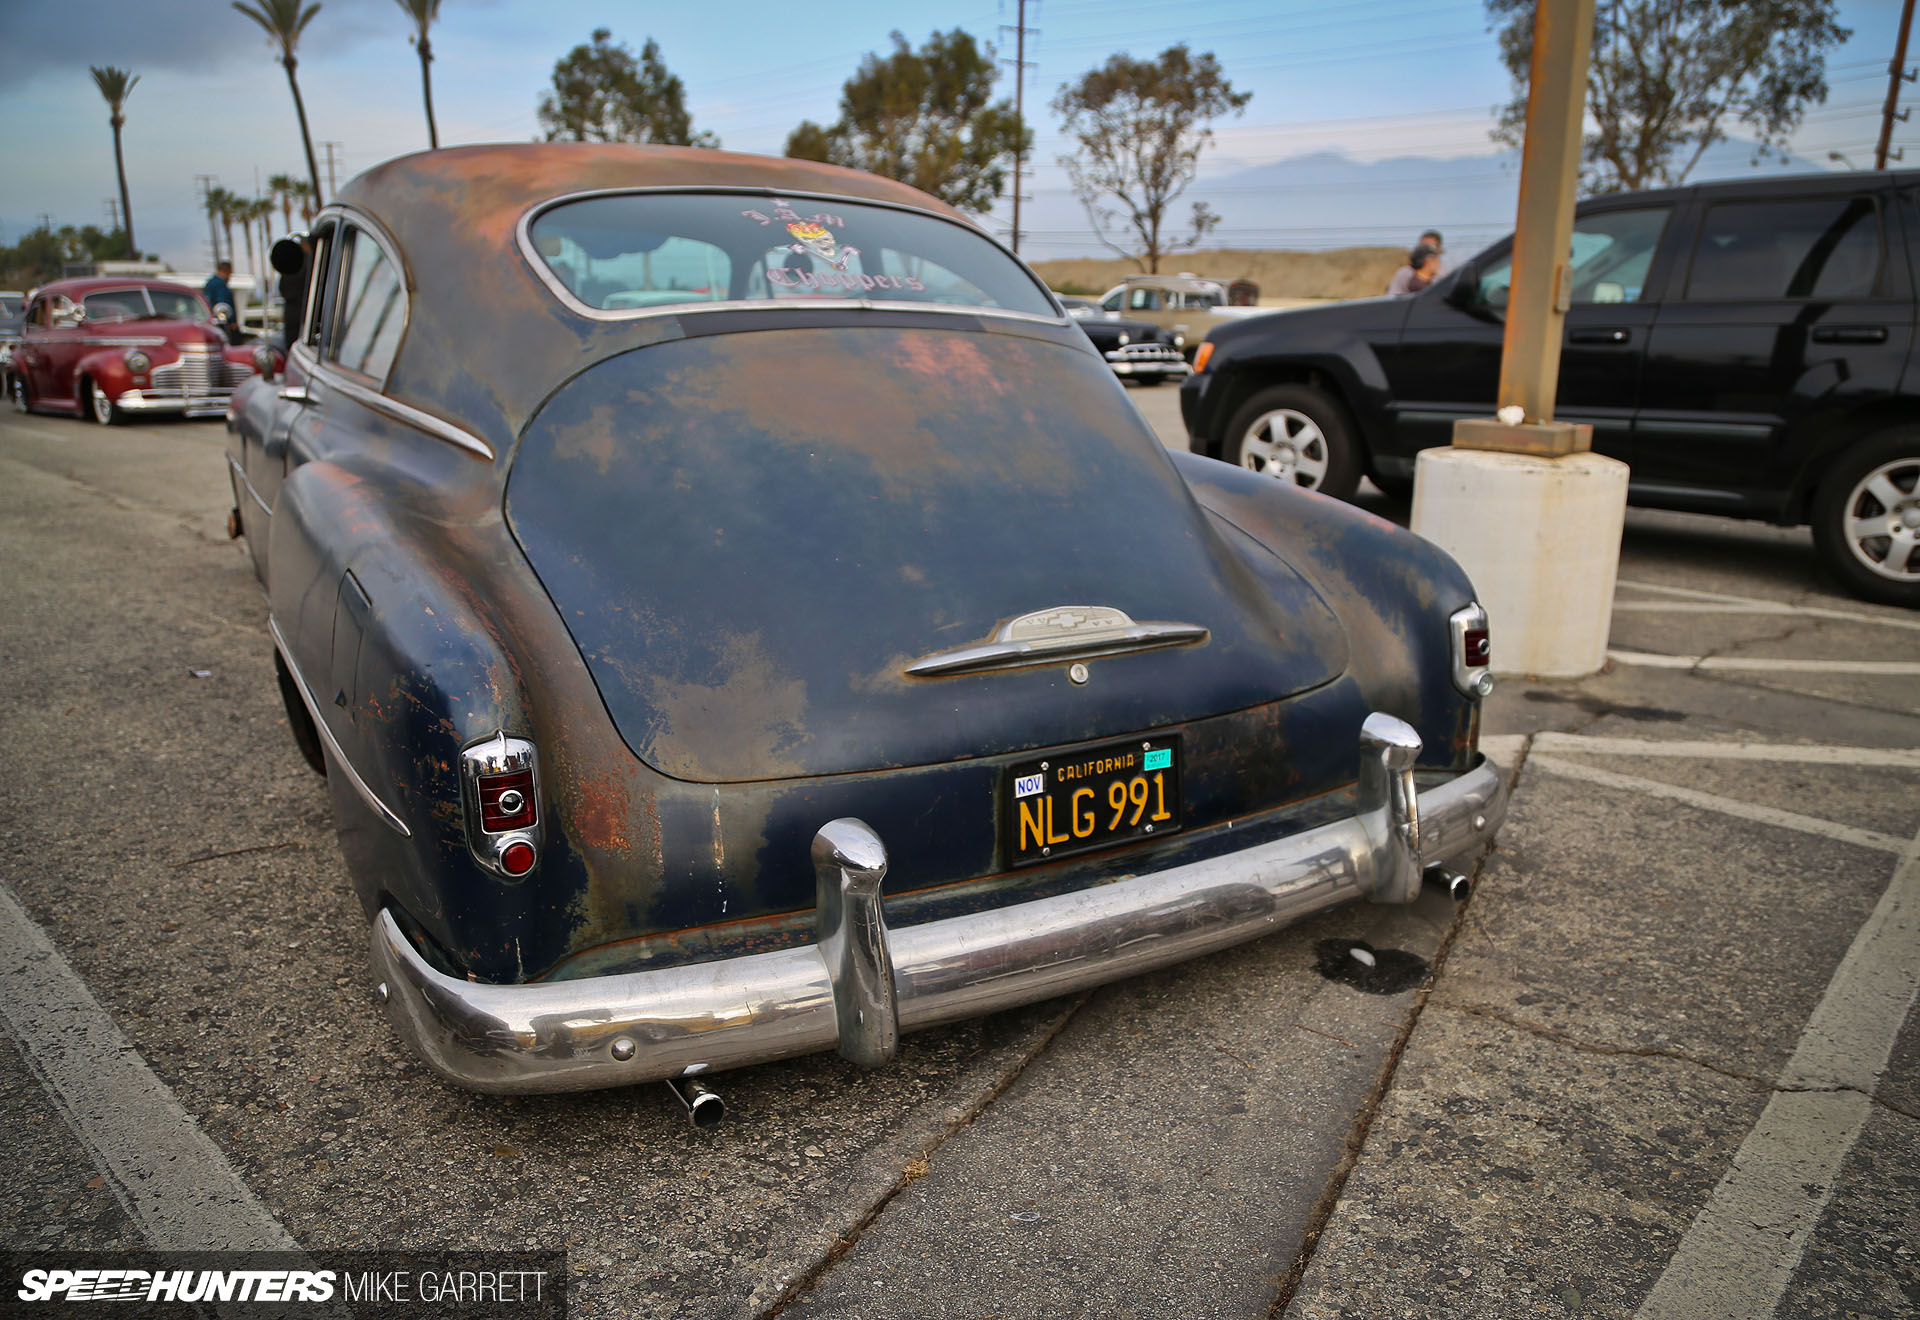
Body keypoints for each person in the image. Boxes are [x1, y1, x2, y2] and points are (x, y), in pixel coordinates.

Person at [203, 261, 244, 344]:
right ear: (227, 271)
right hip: (223, 323)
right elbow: (223, 305)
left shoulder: (210, 283)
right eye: (230, 274)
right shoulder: (220, 285)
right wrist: (232, 321)